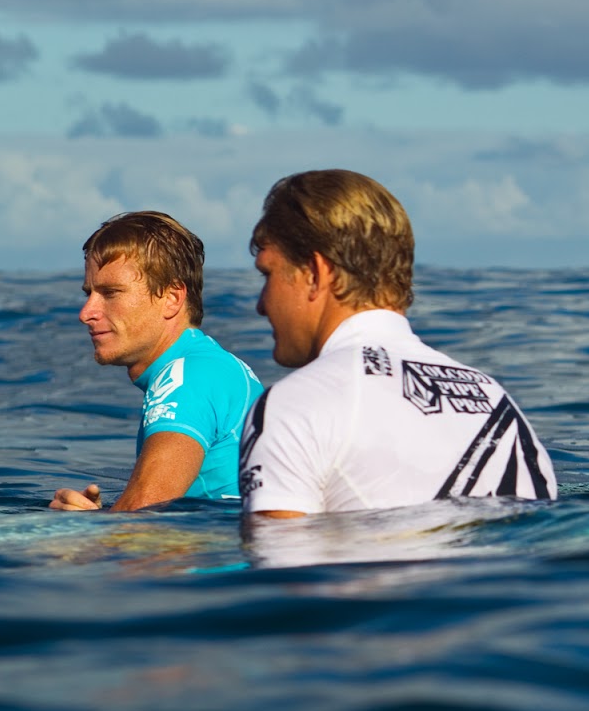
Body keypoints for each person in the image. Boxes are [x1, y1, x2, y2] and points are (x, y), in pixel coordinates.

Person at [238, 168, 556, 518]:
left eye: (267, 274)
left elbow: (279, 568)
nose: (261, 304)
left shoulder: (294, 406)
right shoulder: (498, 402)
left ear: (316, 273)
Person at [50, 212, 264, 511]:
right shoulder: (212, 366)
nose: (86, 312)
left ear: (172, 298)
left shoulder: (187, 375)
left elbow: (143, 515)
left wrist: (88, 532)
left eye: (110, 293)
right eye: (90, 294)